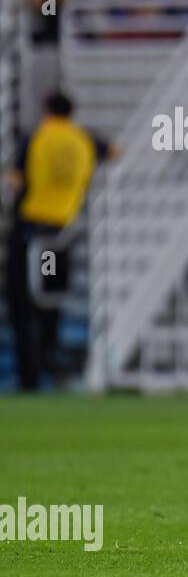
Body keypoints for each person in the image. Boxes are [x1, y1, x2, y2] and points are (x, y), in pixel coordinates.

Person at [4, 93, 96, 391]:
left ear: (46, 112)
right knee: (51, 304)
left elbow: (15, 180)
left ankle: (29, 377)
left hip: (30, 233)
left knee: (23, 305)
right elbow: (114, 150)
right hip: (60, 238)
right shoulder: (83, 140)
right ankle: (49, 362)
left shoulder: (37, 138)